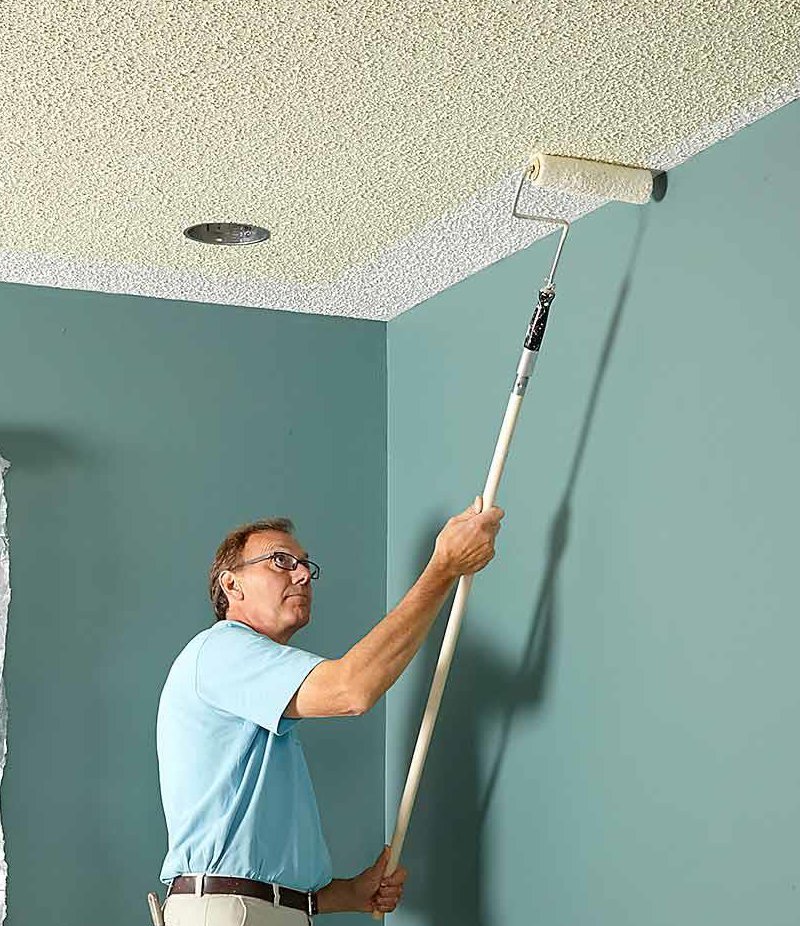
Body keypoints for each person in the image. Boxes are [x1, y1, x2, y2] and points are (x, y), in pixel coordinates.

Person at [155, 497, 504, 925]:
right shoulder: (222, 650)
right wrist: (442, 568)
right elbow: (352, 689)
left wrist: (349, 894)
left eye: (305, 565)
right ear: (232, 584)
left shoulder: (251, 686)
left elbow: (256, 873)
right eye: (279, 561)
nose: (302, 574)